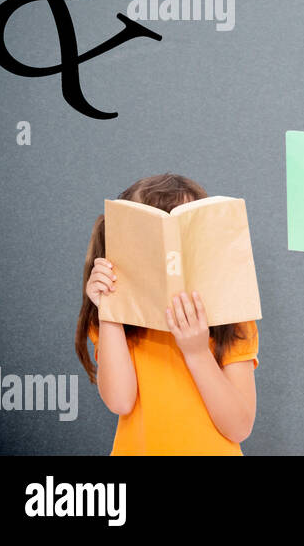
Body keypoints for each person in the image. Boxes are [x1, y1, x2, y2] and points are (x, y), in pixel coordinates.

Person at [76, 174, 259, 455]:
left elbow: (239, 427)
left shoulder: (231, 315)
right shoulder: (113, 322)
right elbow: (120, 402)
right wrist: (109, 312)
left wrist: (197, 352)